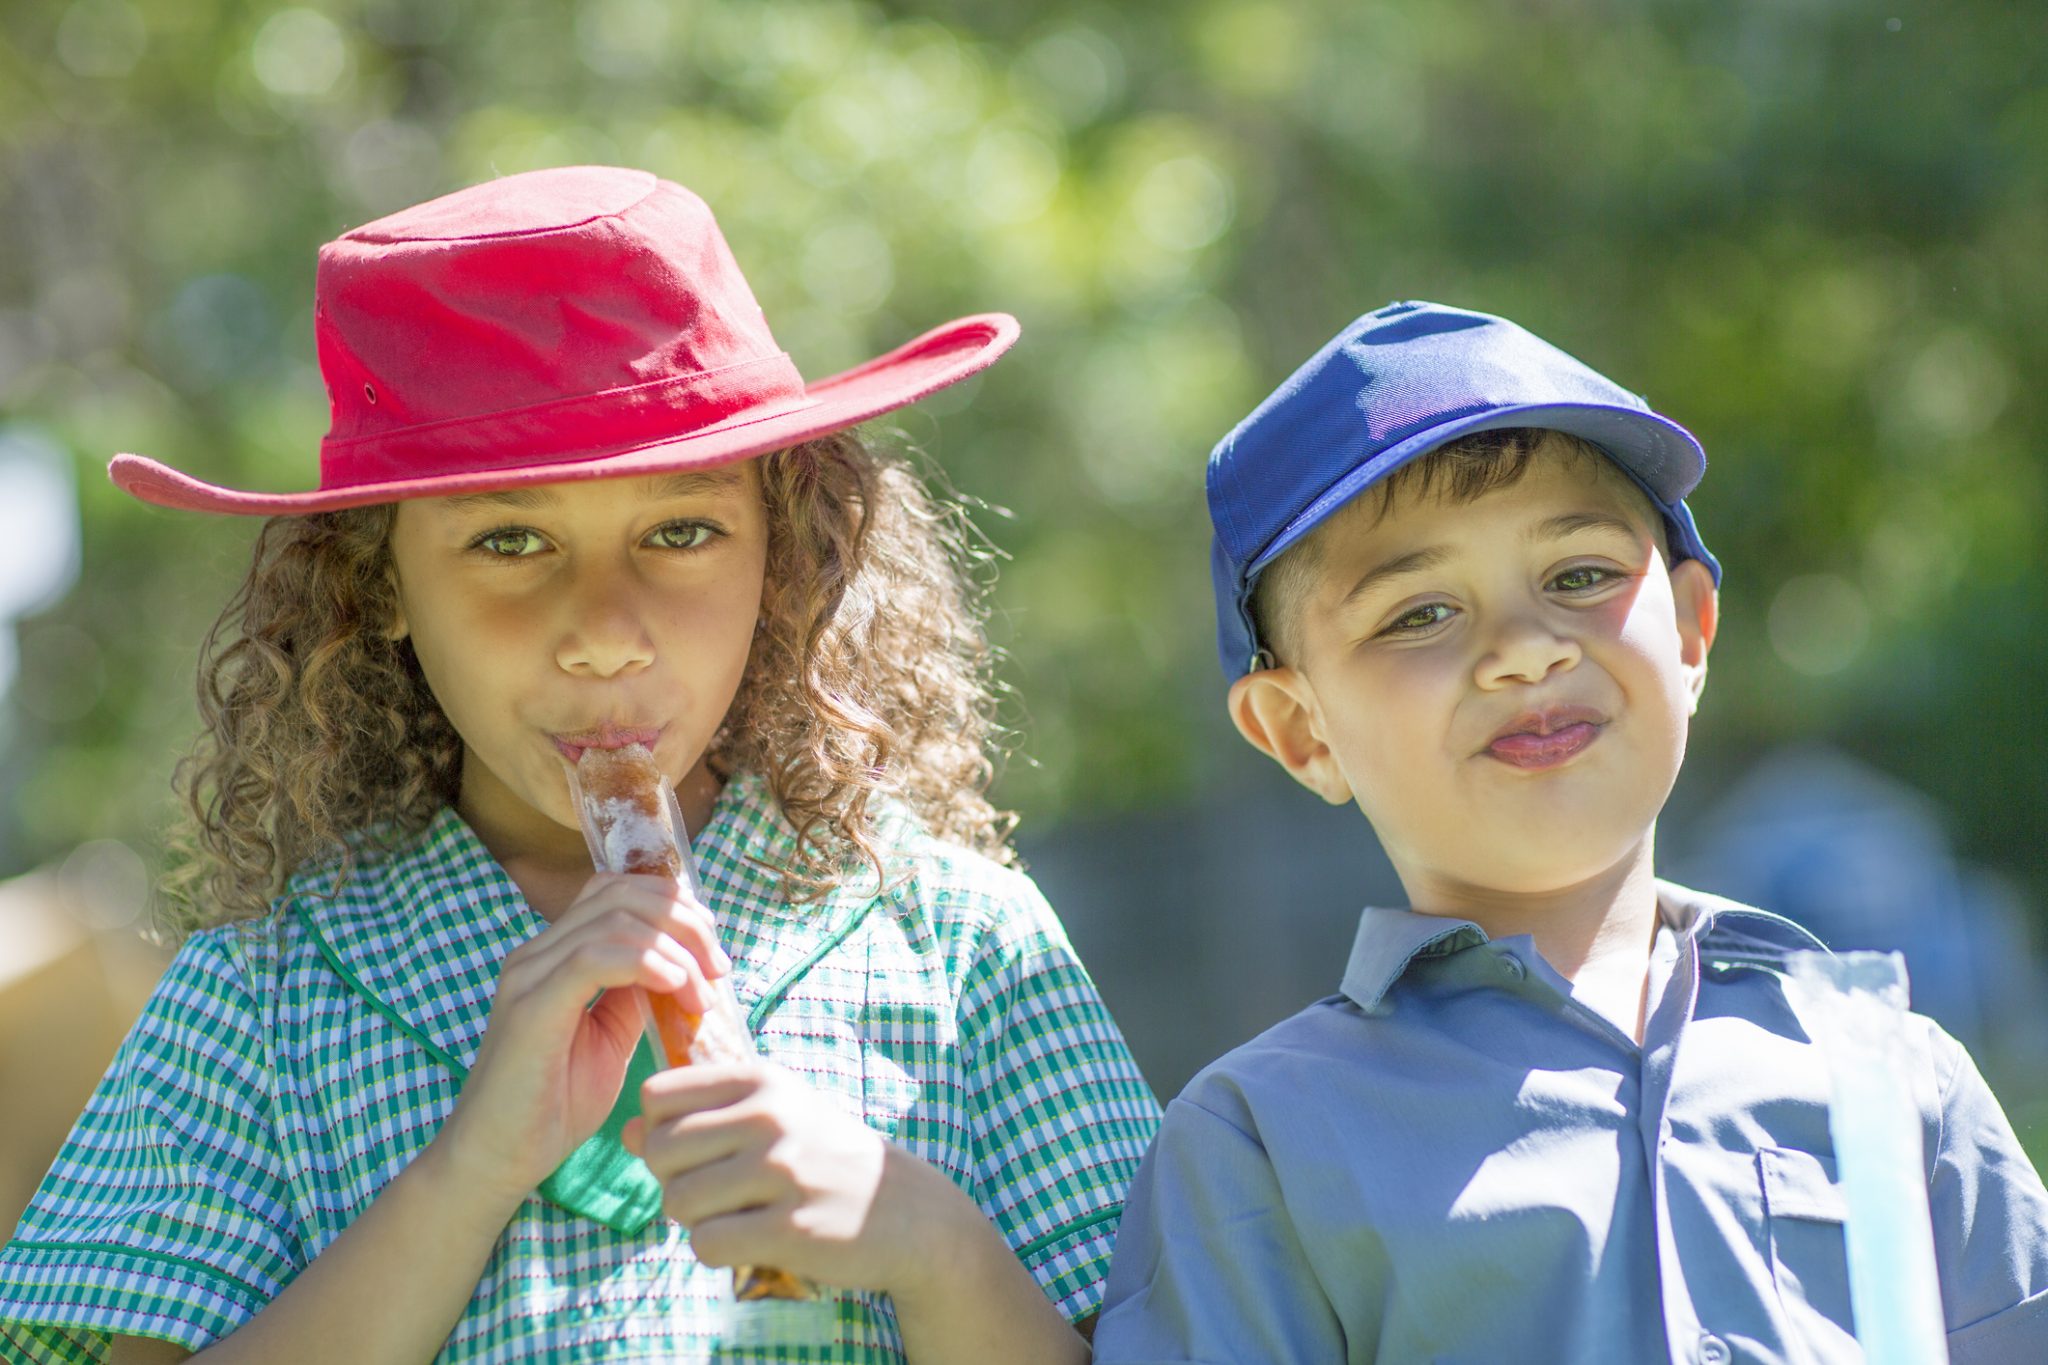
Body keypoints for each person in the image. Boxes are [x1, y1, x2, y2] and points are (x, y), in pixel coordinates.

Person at [0, 165, 1160, 1365]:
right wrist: (467, 1173)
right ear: (377, 582)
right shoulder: (265, 996)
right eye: (510, 539)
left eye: (680, 531)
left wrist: (929, 1244)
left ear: (786, 557)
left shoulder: (958, 942)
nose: (604, 630)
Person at [1092, 300, 2048, 1363]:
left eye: (1579, 576)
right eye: (1418, 613)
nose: (1523, 649)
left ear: (1690, 630)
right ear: (1297, 728)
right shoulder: (1257, 1144)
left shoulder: (1883, 1069)